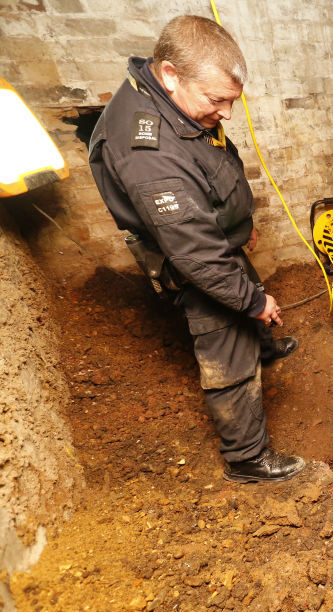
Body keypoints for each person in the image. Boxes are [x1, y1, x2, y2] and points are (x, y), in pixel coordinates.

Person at [89, 15, 305, 483]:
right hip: (189, 258)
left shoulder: (178, 104)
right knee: (224, 333)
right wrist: (251, 301)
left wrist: (237, 222)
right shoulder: (147, 151)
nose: (226, 113)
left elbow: (205, 178)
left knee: (244, 283)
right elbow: (198, 256)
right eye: (217, 100)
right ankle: (247, 458)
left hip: (209, 238)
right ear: (170, 75)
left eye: (231, 100)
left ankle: (263, 347)